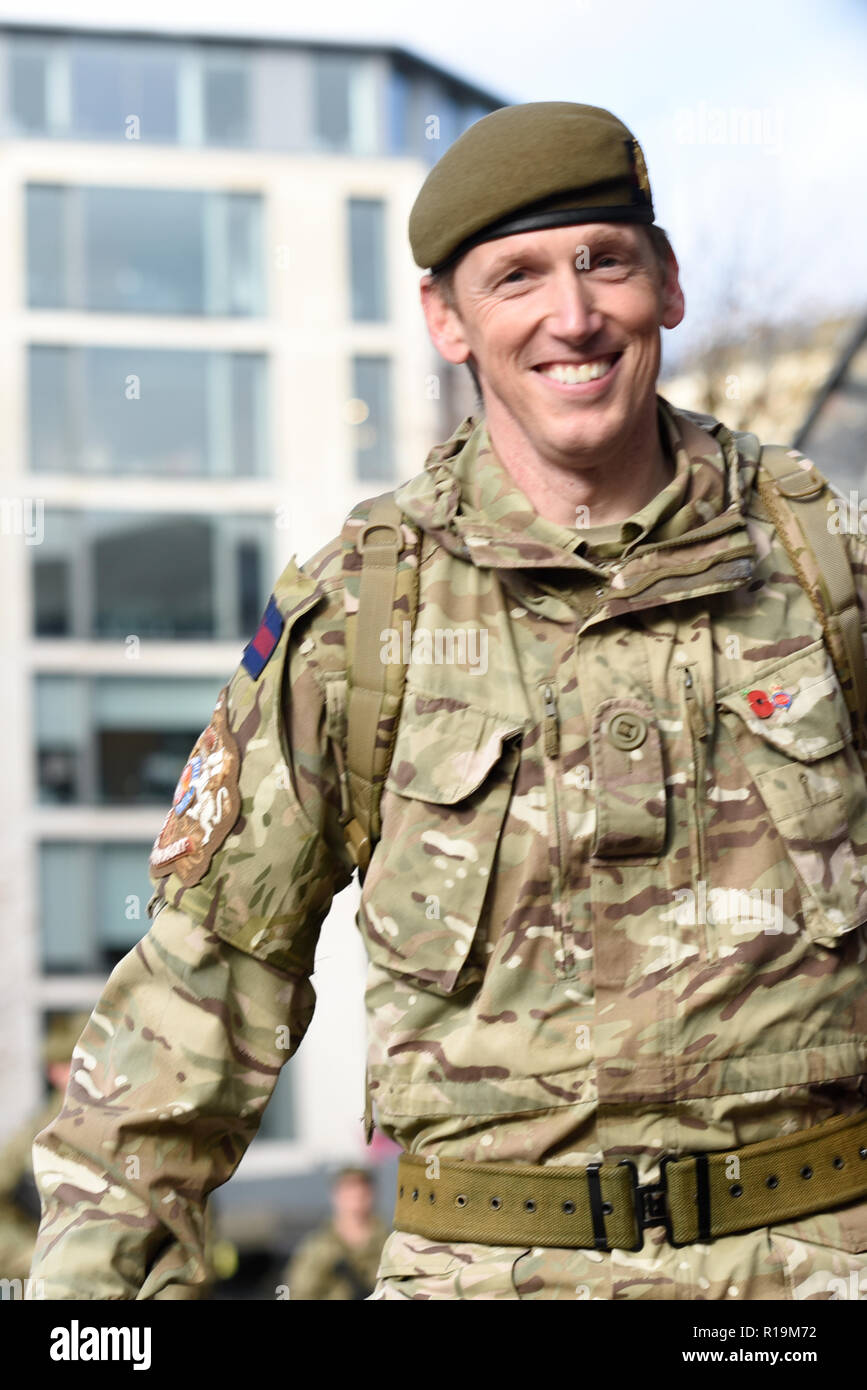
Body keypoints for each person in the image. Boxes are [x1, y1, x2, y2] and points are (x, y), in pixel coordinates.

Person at [28, 101, 867, 1302]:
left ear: (667, 283)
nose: (571, 316)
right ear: (447, 321)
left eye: (604, 262)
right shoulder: (367, 610)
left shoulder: (825, 556)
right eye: (515, 276)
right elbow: (197, 994)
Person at [283, 1167, 388, 1300]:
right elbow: (298, 1292)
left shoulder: (391, 1244)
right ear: (336, 1195)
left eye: (363, 1189)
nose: (357, 1196)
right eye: (349, 1190)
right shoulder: (317, 1248)